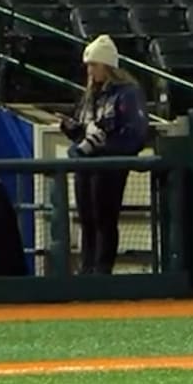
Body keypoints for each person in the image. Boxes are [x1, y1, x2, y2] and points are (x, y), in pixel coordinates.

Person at [58, 35, 150, 276]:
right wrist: (75, 131)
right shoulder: (91, 95)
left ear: (107, 66)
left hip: (109, 167)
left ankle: (102, 271)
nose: (90, 70)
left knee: (104, 219)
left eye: (94, 65)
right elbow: (83, 129)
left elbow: (135, 134)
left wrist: (103, 146)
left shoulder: (127, 94)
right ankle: (87, 269)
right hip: (86, 165)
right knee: (87, 218)